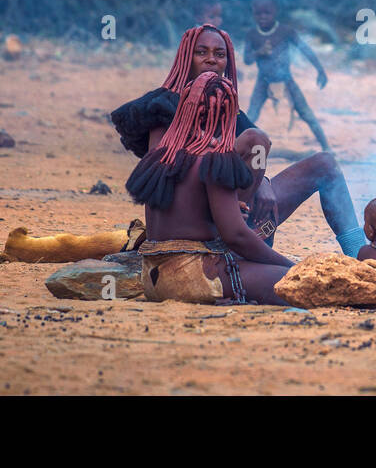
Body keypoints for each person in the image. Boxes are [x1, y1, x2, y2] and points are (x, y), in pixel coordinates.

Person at [110, 24, 366, 258]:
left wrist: (263, 182)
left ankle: (359, 256)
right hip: (200, 224)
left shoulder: (228, 106)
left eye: (219, 54)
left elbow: (258, 145)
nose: (211, 59)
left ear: (227, 62)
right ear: (187, 59)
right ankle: (234, 244)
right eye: (202, 52)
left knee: (325, 165)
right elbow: (160, 180)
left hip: (242, 212)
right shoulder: (164, 107)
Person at [125, 72, 292, 305]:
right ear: (226, 114)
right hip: (192, 278)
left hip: (153, 280)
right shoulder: (213, 161)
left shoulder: (160, 156)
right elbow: (237, 237)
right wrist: (292, 266)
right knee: (300, 282)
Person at [243, 0, 332, 153]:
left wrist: (320, 69)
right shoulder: (252, 35)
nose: (262, 16)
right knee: (251, 116)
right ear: (253, 12)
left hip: (286, 79)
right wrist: (259, 52)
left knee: (306, 114)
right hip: (263, 81)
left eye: (267, 12)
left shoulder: (285, 31)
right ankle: (234, 149)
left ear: (276, 11)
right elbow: (247, 60)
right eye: (258, 13)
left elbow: (305, 49)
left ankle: (327, 148)